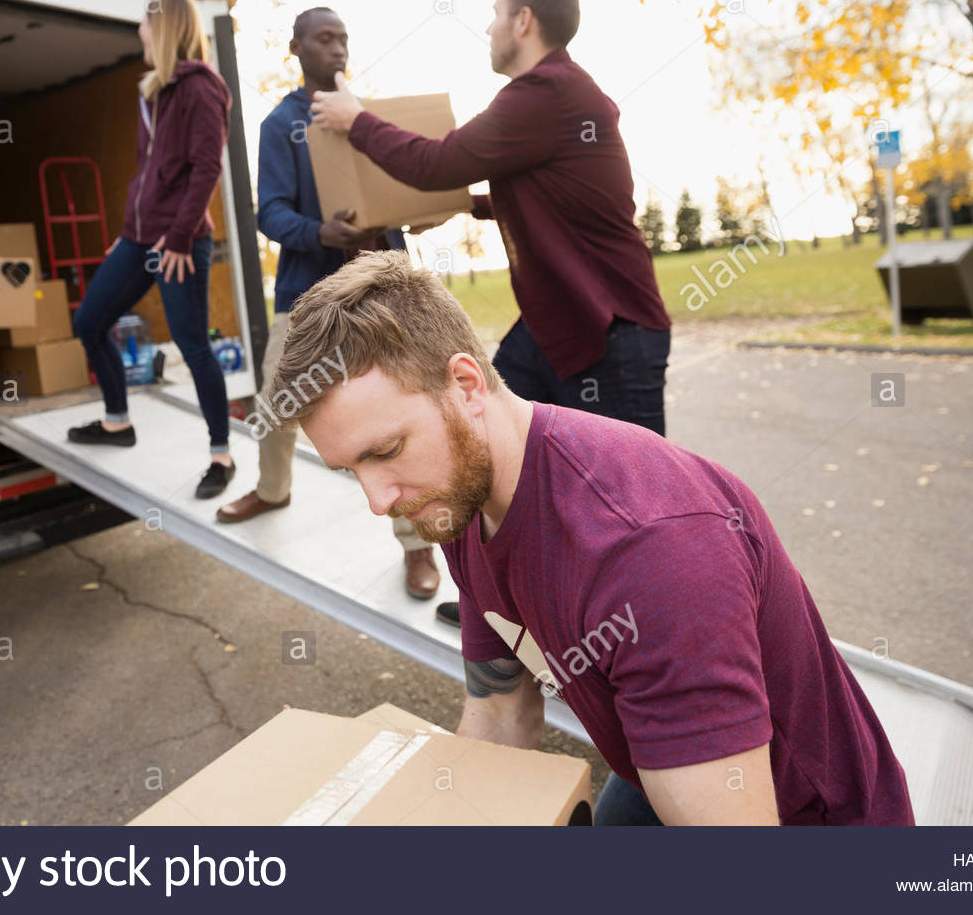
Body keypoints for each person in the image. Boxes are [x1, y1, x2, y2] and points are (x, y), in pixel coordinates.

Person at [264, 250, 916, 827]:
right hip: (659, 765)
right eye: (353, 470)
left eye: (386, 451)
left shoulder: (651, 556)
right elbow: (500, 713)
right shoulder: (459, 493)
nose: (378, 502)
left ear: (464, 386)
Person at [311, 0, 671, 625]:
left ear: (523, 21)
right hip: (557, 325)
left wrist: (356, 120)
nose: (487, 25)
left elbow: (441, 160)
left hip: (612, 329)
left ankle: (660, 640)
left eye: (495, 13)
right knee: (488, 439)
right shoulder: (554, 101)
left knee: (640, 506)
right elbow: (535, 185)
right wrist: (468, 208)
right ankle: (512, 612)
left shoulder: (546, 91)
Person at [216, 7, 442, 600]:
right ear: (297, 47)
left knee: (398, 414)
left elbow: (401, 189)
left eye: (343, 37)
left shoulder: (369, 119)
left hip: (381, 289)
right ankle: (272, 491)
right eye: (325, 38)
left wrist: (412, 210)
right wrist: (322, 233)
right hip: (308, 295)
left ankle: (417, 546)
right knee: (273, 407)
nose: (338, 48)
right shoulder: (279, 125)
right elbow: (271, 212)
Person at [67, 0, 236, 500]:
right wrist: (125, 234)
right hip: (138, 239)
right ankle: (118, 422)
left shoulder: (202, 88)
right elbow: (148, 174)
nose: (139, 31)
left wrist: (180, 237)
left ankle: (220, 455)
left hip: (179, 241)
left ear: (163, 28)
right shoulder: (154, 91)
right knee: (89, 321)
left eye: (144, 22)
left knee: (192, 344)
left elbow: (207, 167)